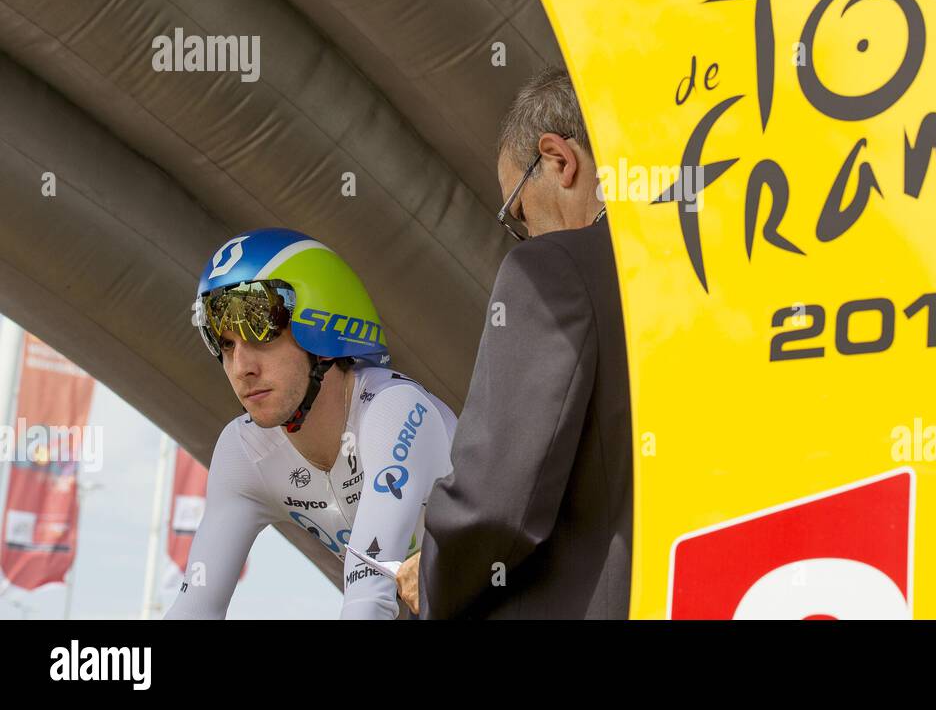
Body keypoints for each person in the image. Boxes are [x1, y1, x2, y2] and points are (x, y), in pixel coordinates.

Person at [402, 65, 633, 619]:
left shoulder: (554, 270)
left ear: (559, 159)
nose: (525, 235)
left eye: (518, 214)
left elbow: (498, 503)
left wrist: (431, 573)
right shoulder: (709, 272)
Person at [166, 227, 456, 620]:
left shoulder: (393, 410)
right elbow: (193, 609)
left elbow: (368, 599)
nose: (241, 368)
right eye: (225, 343)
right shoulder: (241, 451)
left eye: (260, 332)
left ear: (323, 327)